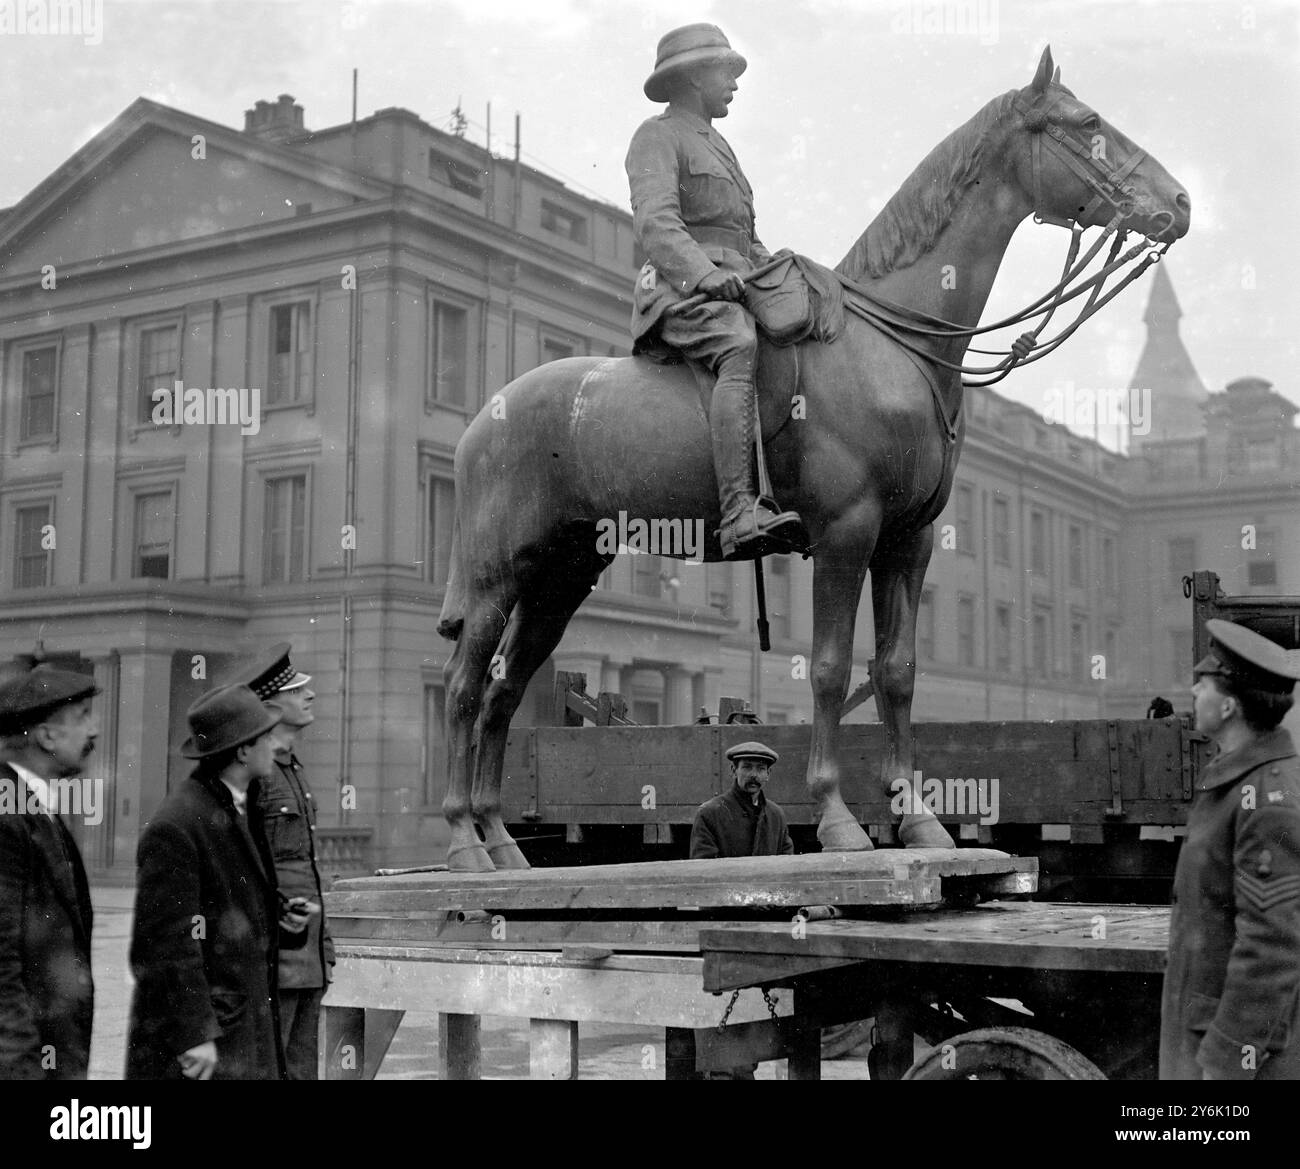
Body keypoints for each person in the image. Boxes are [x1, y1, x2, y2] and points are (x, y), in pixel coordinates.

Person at [626, 23, 806, 561]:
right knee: (739, 345)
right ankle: (737, 512)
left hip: (735, 286)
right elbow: (657, 223)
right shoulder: (657, 136)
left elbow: (744, 236)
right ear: (692, 77)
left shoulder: (720, 146)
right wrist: (703, 275)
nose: (734, 82)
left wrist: (780, 268)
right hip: (681, 294)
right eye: (724, 71)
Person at [126, 684, 313, 1080]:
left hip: (237, 1027)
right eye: (266, 737)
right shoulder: (177, 826)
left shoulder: (241, 803)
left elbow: (231, 903)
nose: (275, 746)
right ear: (243, 751)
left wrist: (282, 919)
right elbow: (163, 945)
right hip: (203, 1042)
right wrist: (194, 1034)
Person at [1160, 619, 1300, 1080]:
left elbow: (1273, 944)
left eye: (1203, 684)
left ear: (1229, 705)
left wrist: (1228, 1060)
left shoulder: (1267, 795)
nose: (1194, 692)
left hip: (1234, 1057)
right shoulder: (1236, 778)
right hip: (1206, 1032)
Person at [227, 642, 333, 1079]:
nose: (309, 694)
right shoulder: (258, 776)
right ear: (270, 707)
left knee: (301, 1071)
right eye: (296, 689)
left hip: (307, 957)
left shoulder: (291, 769)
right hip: (272, 959)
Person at [0, 666, 98, 1079]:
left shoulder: (33, 805)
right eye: (83, 717)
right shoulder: (8, 814)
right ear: (45, 736)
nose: (94, 731)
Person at [691, 740, 794, 860]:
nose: (754, 775)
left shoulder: (776, 815)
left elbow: (786, 862)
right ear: (734, 770)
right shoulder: (710, 813)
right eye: (747, 767)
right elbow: (702, 866)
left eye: (761, 769)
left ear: (768, 774)